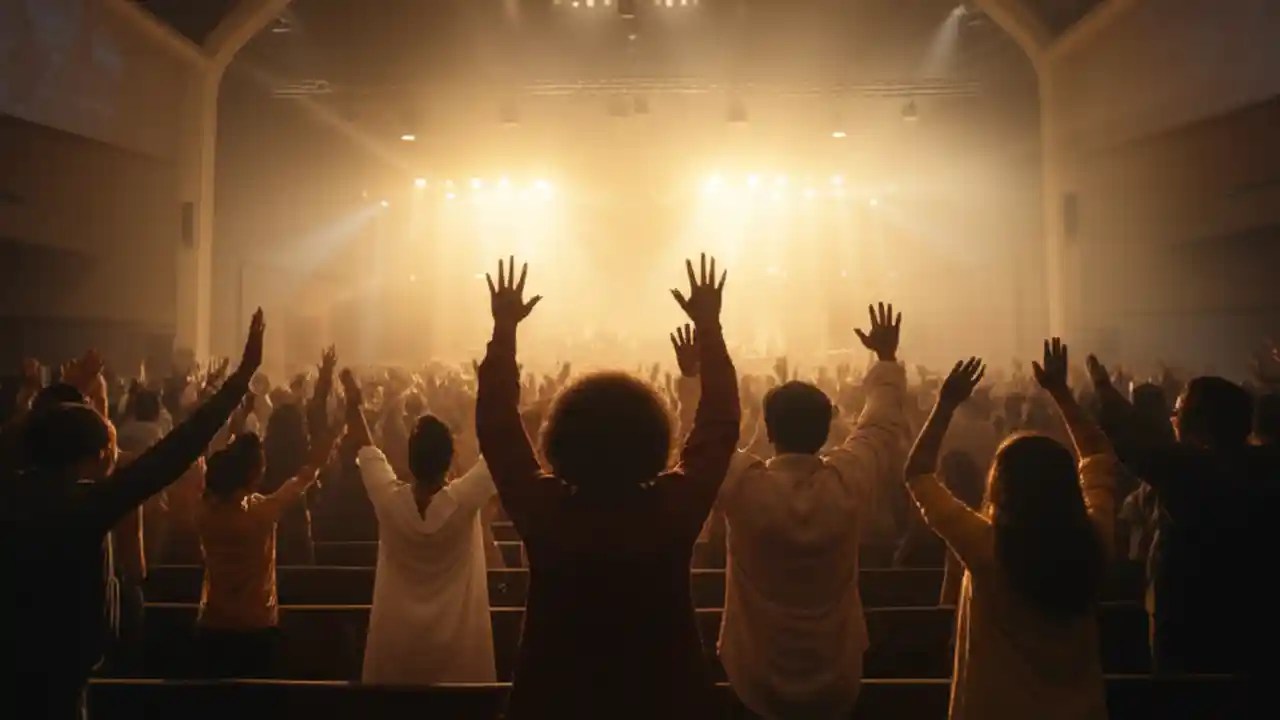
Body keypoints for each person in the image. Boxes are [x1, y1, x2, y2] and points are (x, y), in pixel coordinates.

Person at [476, 255, 739, 719]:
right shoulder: (672, 508)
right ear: (654, 437)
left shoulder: (545, 511)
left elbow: (496, 425)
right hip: (665, 696)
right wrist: (709, 329)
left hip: (556, 696)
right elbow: (720, 422)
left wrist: (504, 331)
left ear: (560, 438)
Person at [4, 310, 265, 719]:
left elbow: (29, 434)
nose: (114, 459)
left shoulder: (16, 489)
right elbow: (177, 449)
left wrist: (63, 391)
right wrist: (241, 376)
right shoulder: (84, 506)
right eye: (107, 454)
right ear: (88, 459)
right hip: (61, 679)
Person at [708, 302, 908, 720]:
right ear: (825, 431)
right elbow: (880, 428)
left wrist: (701, 356)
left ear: (768, 430)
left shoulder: (744, 484)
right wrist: (886, 361)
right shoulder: (847, 481)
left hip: (753, 678)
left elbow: (707, 439)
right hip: (835, 676)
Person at [904, 341, 1117, 720]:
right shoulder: (1094, 537)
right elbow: (1097, 454)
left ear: (1000, 487)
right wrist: (1061, 392)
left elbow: (918, 472)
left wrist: (946, 403)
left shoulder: (986, 547)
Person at [1088, 358, 1280, 677]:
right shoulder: (1266, 468)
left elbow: (1140, 444)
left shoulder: (1193, 475)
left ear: (1199, 426)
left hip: (1192, 640)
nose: (1172, 420)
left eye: (1178, 413)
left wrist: (1105, 392)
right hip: (1262, 642)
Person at [342, 368, 500, 684]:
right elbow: (500, 446)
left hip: (397, 652)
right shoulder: (464, 499)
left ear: (410, 458)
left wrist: (352, 400)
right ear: (450, 459)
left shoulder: (389, 500)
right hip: (459, 658)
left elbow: (365, 446)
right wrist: (488, 389)